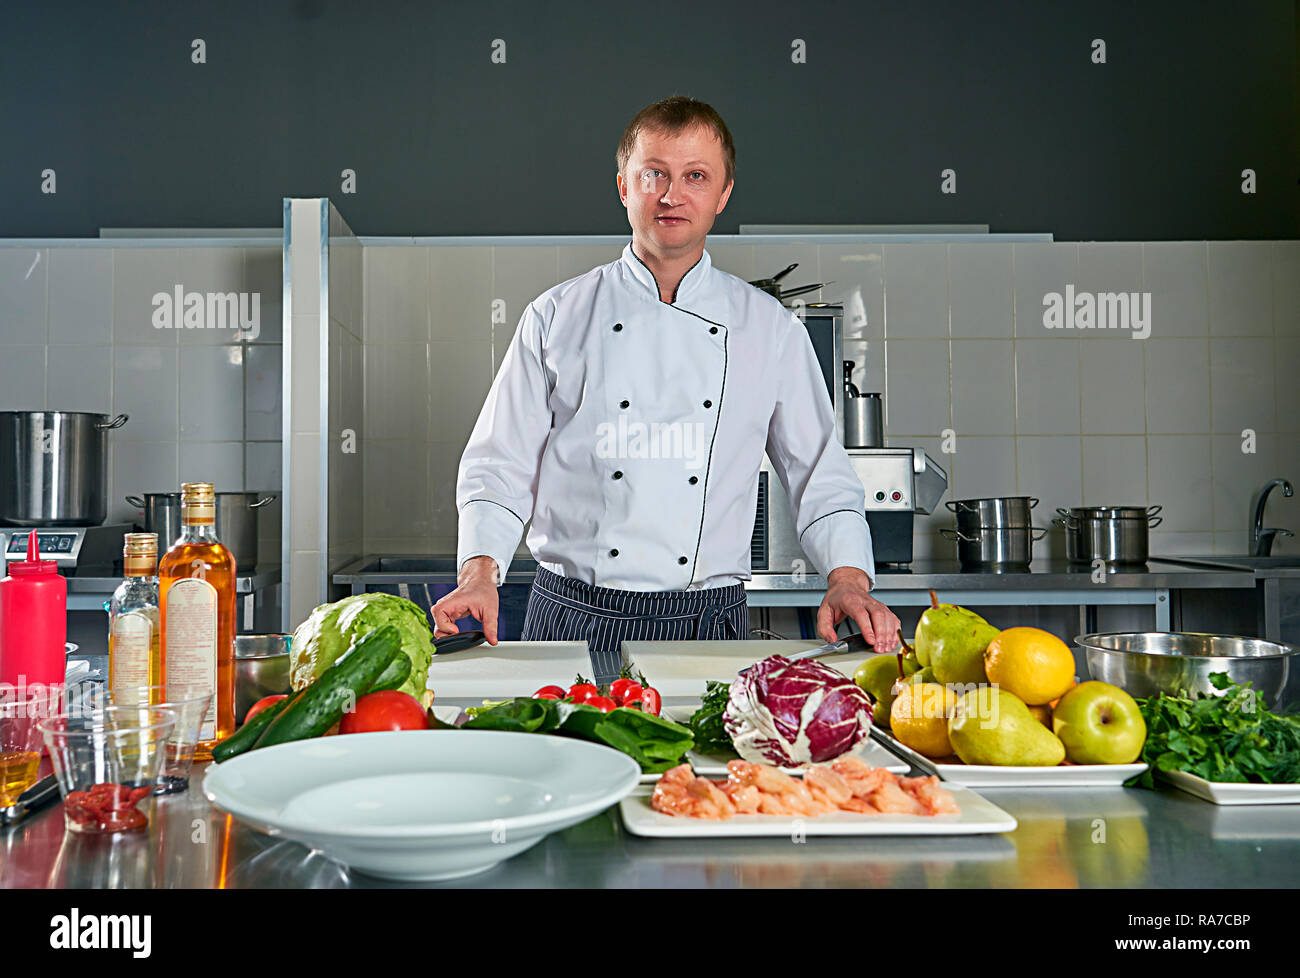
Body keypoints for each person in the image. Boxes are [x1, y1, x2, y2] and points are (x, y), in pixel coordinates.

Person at [432, 95, 901, 673]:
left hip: (708, 619)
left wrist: (849, 578)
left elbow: (820, 476)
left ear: (723, 194)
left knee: (700, 764)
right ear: (625, 187)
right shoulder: (555, 316)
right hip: (571, 614)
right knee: (573, 761)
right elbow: (498, 465)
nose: (672, 195)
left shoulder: (769, 328)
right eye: (654, 174)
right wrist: (480, 573)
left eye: (696, 176)